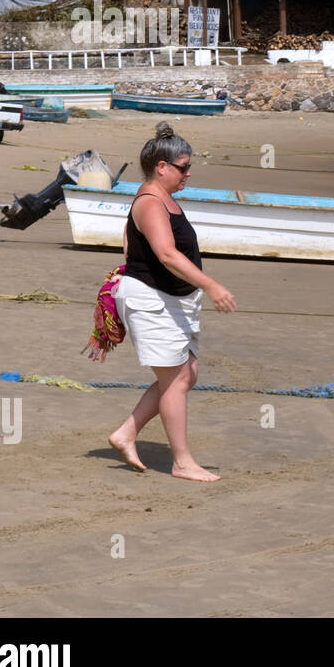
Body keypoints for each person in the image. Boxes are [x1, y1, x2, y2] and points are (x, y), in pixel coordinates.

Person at [107, 122, 236, 481]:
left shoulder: (160, 198)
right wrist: (212, 286)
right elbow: (165, 253)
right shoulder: (149, 201)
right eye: (183, 167)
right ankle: (182, 462)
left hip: (171, 299)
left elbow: (130, 245)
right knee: (178, 378)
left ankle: (125, 433)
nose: (188, 173)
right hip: (152, 301)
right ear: (161, 166)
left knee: (184, 375)